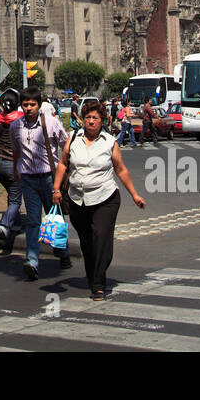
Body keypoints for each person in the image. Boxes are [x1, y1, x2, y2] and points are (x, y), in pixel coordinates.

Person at [53, 99, 146, 299]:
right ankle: (92, 273)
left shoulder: (109, 142)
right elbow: (62, 164)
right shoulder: (74, 137)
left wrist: (134, 195)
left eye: (95, 118)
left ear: (102, 120)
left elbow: (120, 169)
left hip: (105, 198)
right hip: (78, 200)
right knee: (87, 242)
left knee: (101, 238)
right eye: (88, 118)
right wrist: (56, 189)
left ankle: (98, 283)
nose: (91, 122)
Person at [11, 86, 71, 281]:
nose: (29, 108)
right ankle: (32, 260)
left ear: (39, 105)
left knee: (55, 219)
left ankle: (62, 253)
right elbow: (16, 151)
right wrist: (15, 170)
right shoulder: (15, 126)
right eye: (25, 104)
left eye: (32, 104)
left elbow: (66, 145)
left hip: (49, 179)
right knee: (33, 221)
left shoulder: (52, 123)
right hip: (28, 179)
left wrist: (63, 170)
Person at [0, 97, 25, 250]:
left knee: (12, 193)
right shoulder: (21, 121)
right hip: (12, 164)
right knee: (16, 199)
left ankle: (13, 224)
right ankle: (4, 225)